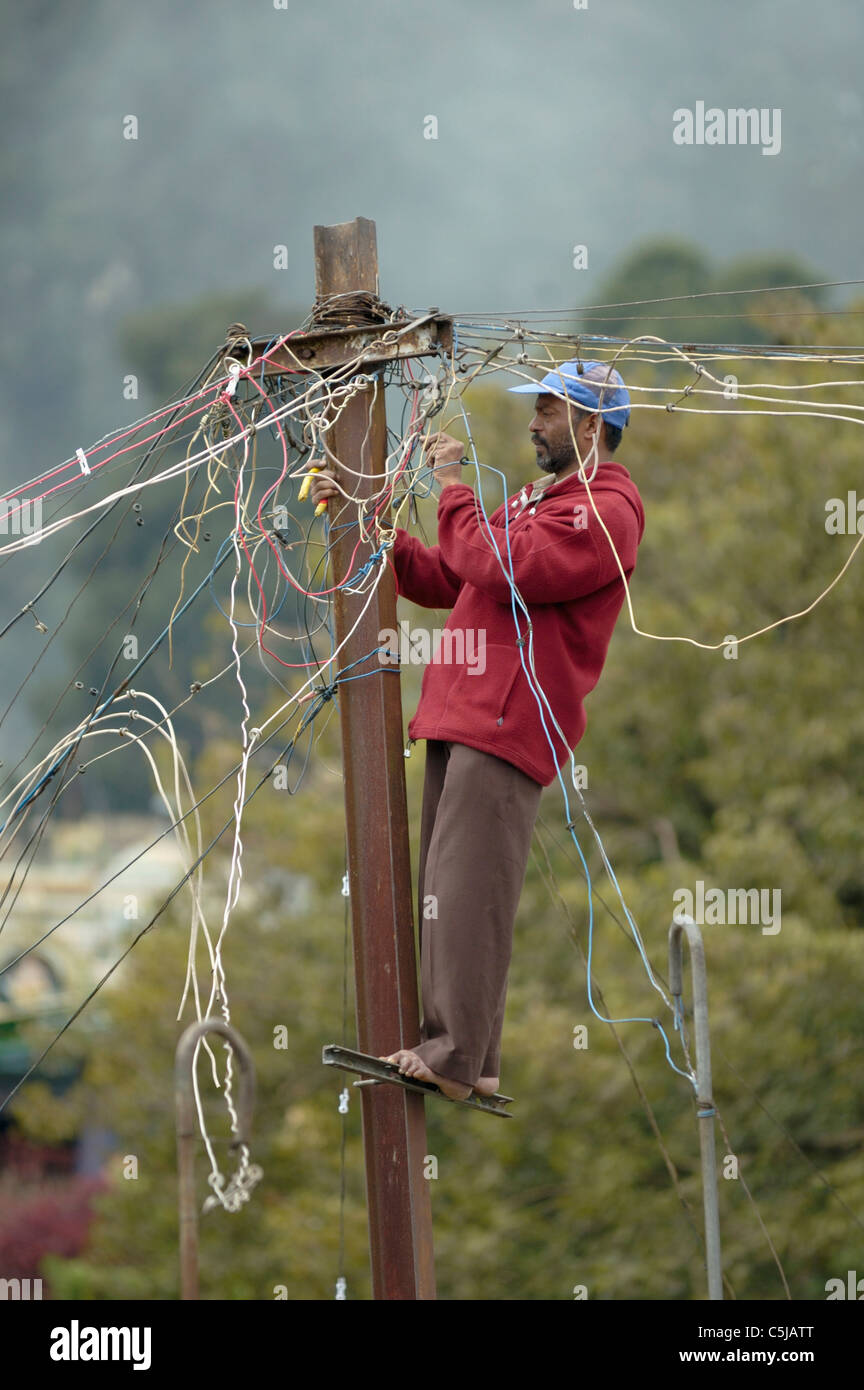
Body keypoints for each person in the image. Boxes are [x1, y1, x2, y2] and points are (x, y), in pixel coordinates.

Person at [306, 361, 645, 1101]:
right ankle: (473, 1056)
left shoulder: (605, 511)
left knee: (464, 890)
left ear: (591, 427)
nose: (534, 424)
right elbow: (444, 576)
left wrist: (454, 486)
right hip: (467, 716)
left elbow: (498, 567)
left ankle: (455, 1057)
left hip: (508, 720)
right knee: (448, 886)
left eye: (549, 412)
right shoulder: (541, 500)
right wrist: (366, 524)